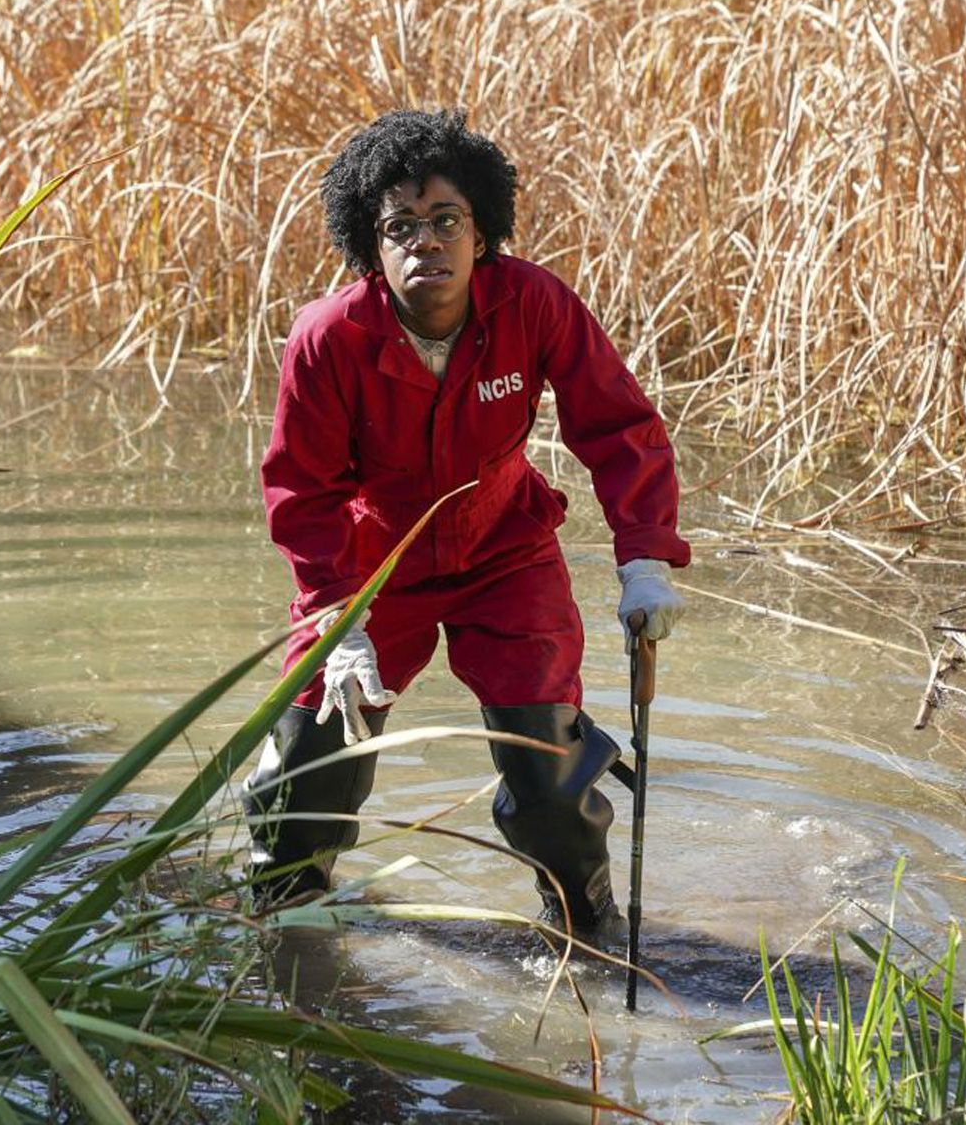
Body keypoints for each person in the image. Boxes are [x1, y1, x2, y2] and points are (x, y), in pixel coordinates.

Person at [241, 109, 688, 942]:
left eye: (447, 220)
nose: (427, 243)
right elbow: (301, 490)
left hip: (506, 551)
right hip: (372, 567)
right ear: (371, 248)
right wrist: (341, 619)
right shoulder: (327, 339)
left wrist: (645, 560)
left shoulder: (533, 303)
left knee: (551, 782)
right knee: (305, 775)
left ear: (482, 235)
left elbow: (620, 429)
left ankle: (585, 934)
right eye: (400, 227)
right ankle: (281, 937)